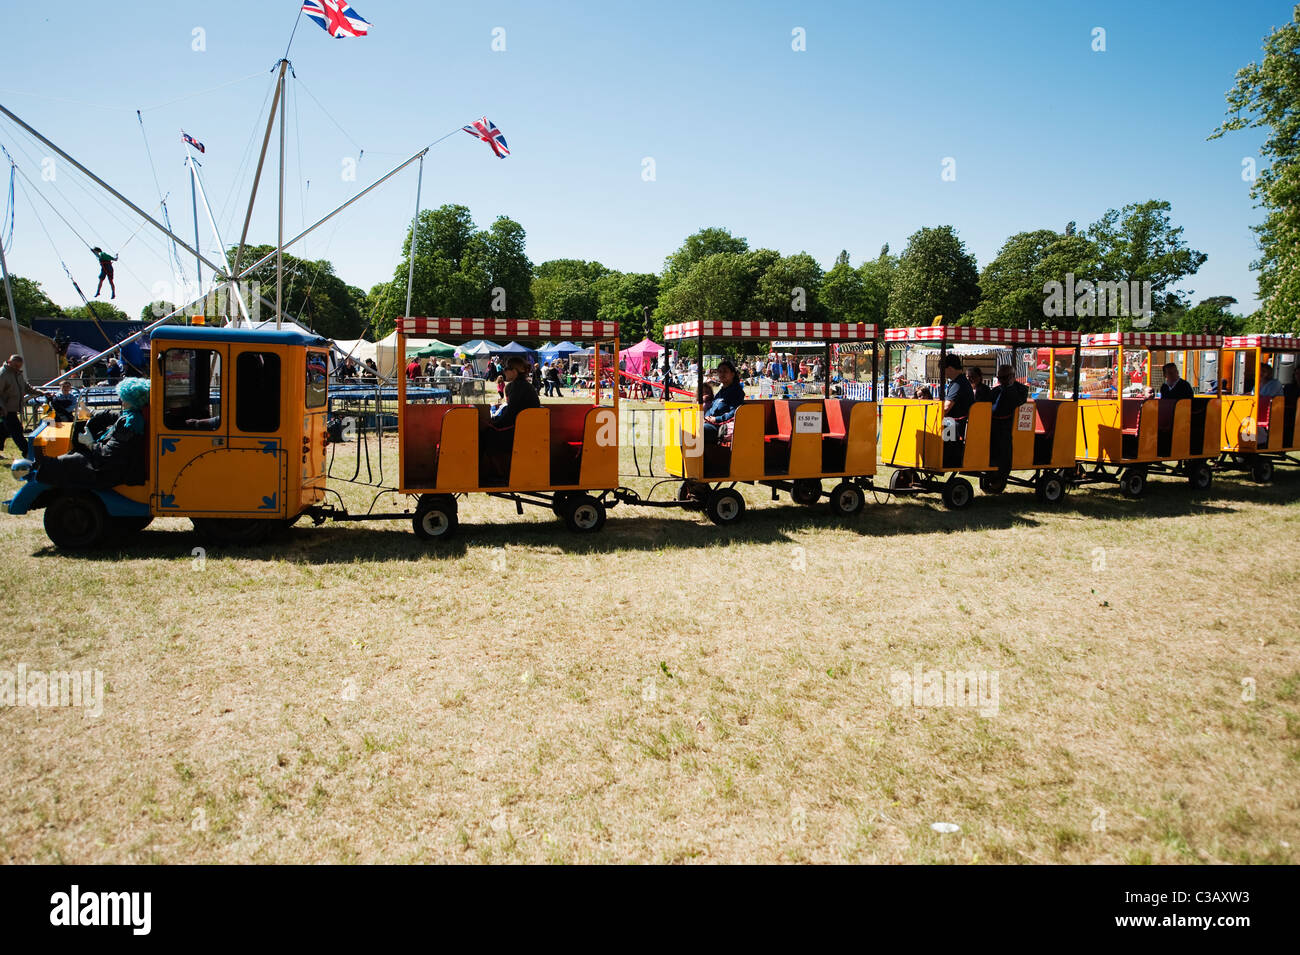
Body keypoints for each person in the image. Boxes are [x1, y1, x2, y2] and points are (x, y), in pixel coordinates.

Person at [35, 378, 149, 488]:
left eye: (123, 398)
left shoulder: (130, 423)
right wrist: (91, 412)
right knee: (72, 456)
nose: (121, 400)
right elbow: (110, 415)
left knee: (61, 463)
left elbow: (107, 454)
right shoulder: (132, 413)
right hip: (112, 463)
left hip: (110, 471)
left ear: (131, 400)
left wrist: (90, 443)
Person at [483, 357, 541, 477]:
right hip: (526, 430)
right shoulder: (523, 386)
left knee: (485, 436)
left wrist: (493, 423)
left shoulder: (517, 387)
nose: (503, 371)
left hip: (520, 432)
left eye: (506, 368)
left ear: (514, 371)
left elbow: (511, 414)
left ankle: (499, 474)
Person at [989, 365, 1028, 478]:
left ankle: (1003, 471)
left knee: (1004, 443)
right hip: (993, 422)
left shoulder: (1021, 389)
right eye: (999, 378)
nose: (1001, 380)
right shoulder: (995, 390)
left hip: (1009, 424)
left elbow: (1017, 402)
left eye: (1004, 377)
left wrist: (1010, 386)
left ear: (1012, 377)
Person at [0, 355, 41, 459]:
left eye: (19, 366)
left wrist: (41, 392)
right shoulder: (3, 374)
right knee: (17, 430)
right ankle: (27, 452)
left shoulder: (17, 374)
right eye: (15, 365)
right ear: (9, 362)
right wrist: (2, 408)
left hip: (12, 408)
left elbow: (25, 387)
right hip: (5, 409)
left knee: (3, 431)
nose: (17, 368)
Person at [942, 354, 974, 466]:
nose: (943, 373)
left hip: (957, 423)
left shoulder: (958, 384)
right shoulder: (957, 382)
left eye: (943, 370)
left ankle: (946, 459)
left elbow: (946, 407)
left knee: (945, 424)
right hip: (954, 421)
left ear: (950, 368)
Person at [702, 359, 744, 444]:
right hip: (710, 423)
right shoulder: (720, 392)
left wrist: (716, 419)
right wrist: (707, 417)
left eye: (725, 371)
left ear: (732, 374)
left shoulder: (737, 392)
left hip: (721, 427)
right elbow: (711, 408)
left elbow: (735, 412)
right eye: (720, 372)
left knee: (699, 430)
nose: (721, 374)